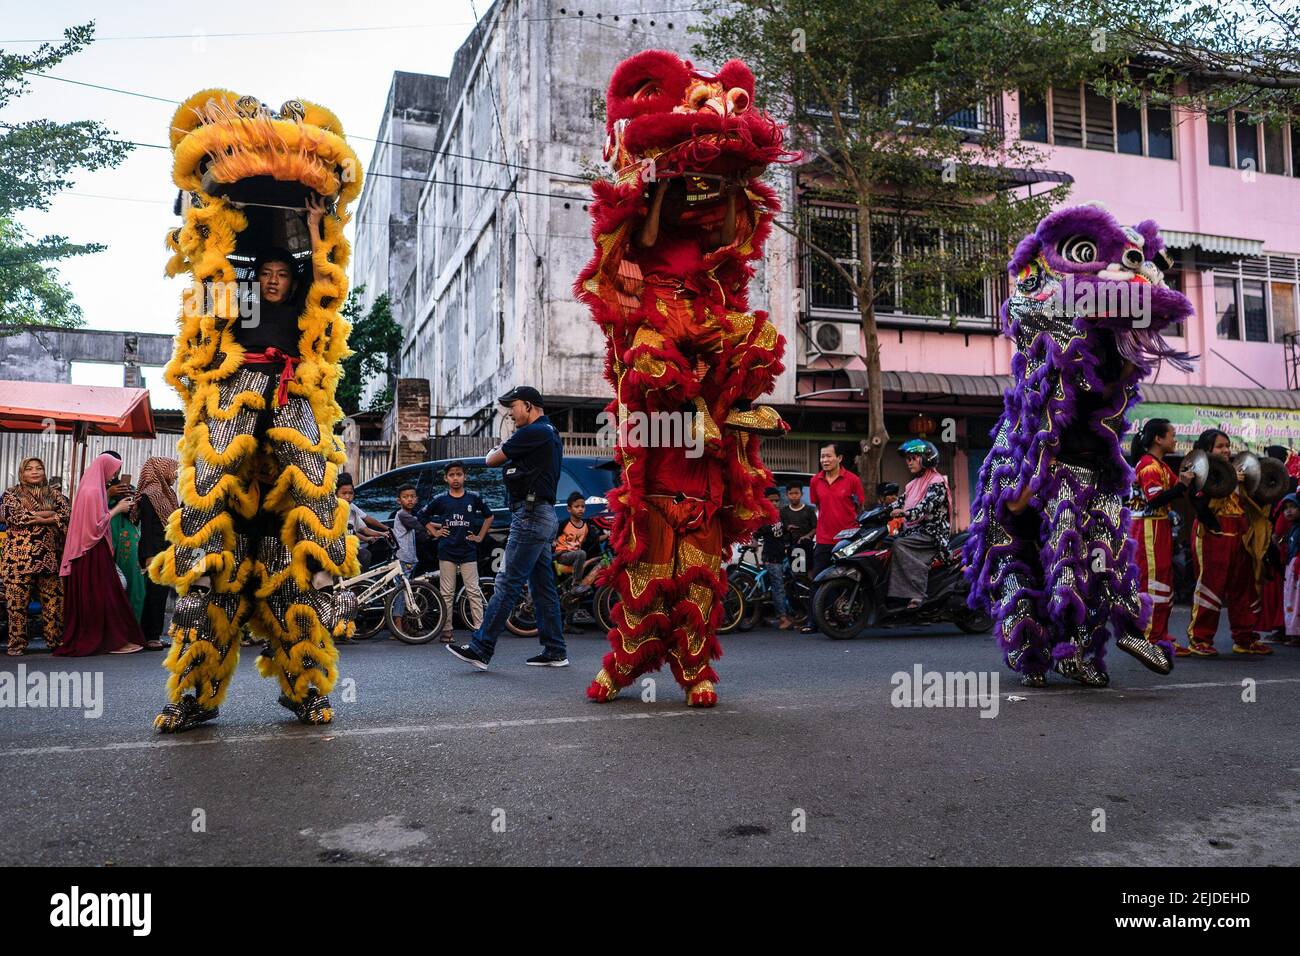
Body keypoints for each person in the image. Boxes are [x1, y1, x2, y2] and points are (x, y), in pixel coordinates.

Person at [965, 204, 1194, 687]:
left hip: (1096, 470)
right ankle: (1035, 651)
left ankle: (1099, 642)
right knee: (1037, 561)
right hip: (1039, 466)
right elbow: (1038, 411)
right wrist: (1026, 484)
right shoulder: (1048, 349)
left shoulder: (1118, 354)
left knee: (1103, 557)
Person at [447, 386, 567, 669]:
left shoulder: (532, 432)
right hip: (543, 514)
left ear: (527, 406)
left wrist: (499, 450)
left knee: (508, 582)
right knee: (542, 586)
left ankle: (481, 647)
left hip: (530, 516)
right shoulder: (550, 432)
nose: (510, 414)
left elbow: (492, 459)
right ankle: (555, 650)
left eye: (512, 407)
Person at [1184, 428, 1271, 657]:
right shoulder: (1201, 472)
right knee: (1211, 586)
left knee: (1244, 587)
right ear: (1207, 450)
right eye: (1220, 446)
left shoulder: (1239, 472)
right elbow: (1202, 503)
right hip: (1213, 533)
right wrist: (1229, 478)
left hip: (1239, 533)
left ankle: (1245, 638)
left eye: (1227, 445)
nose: (1226, 450)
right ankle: (1200, 639)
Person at [55, 453, 144, 656]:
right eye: (113, 472)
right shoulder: (92, 490)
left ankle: (110, 639)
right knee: (104, 594)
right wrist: (118, 509)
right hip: (91, 550)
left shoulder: (92, 489)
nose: (113, 477)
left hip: (92, 549)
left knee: (103, 594)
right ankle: (112, 641)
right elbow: (93, 526)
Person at [1128, 419, 1191, 658]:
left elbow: (1181, 489)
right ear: (1158, 439)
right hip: (1147, 527)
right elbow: (1155, 499)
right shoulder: (1148, 465)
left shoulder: (1161, 466)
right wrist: (1182, 485)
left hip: (1159, 527)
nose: (1175, 440)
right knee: (1152, 581)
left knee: (1165, 580)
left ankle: (1161, 636)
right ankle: (1149, 638)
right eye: (1172, 435)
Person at [2, 457, 70, 656]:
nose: (34, 472)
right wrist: (50, 516)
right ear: (22, 473)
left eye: (38, 468)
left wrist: (38, 516)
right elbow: (16, 517)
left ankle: (55, 641)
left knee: (54, 603)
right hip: (18, 558)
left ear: (44, 471)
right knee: (16, 604)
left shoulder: (54, 494)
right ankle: (17, 644)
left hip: (48, 557)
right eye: (29, 469)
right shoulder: (11, 494)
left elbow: (66, 515)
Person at [419, 461, 492, 643]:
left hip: (468, 551)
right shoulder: (441, 499)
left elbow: (489, 516)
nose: (455, 478)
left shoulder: (473, 498)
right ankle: (447, 631)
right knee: (447, 593)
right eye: (451, 475)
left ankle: (479, 631)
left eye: (459, 474)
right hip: (447, 552)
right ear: (446, 478)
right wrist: (434, 531)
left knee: (473, 591)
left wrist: (480, 536)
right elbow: (422, 515)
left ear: (465, 476)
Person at [800, 443, 865, 634]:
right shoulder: (815, 481)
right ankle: (813, 622)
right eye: (822, 457)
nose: (825, 461)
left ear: (839, 458)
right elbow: (818, 505)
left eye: (829, 456)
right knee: (819, 580)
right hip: (824, 539)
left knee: (847, 580)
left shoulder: (852, 480)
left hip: (847, 540)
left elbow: (859, 507)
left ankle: (846, 619)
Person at [886, 441, 951, 609]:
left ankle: (916, 594)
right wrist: (877, 512)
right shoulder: (912, 485)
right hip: (915, 532)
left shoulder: (936, 482)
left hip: (932, 534)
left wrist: (905, 513)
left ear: (926, 459)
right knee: (886, 543)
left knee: (899, 544)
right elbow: (898, 503)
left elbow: (925, 507)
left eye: (913, 458)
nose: (909, 462)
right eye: (907, 459)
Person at [133, 457, 179, 651]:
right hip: (154, 550)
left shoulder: (166, 493)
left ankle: (153, 634)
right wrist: (149, 554)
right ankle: (150, 636)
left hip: (165, 548)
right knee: (154, 594)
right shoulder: (151, 494)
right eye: (173, 470)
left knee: (159, 594)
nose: (175, 474)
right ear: (161, 470)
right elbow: (147, 529)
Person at [108, 472, 148, 624]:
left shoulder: (136, 523)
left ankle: (132, 631)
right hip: (115, 559)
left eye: (133, 496)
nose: (131, 501)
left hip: (135, 563)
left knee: (137, 591)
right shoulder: (112, 518)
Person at [756, 487, 793, 629]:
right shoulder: (764, 518)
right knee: (778, 587)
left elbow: (780, 532)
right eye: (771, 501)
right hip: (771, 556)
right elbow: (757, 532)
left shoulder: (779, 516)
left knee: (779, 585)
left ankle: (763, 617)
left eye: (777, 500)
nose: (775, 503)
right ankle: (783, 618)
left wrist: (787, 529)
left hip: (780, 554)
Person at [391, 484, 426, 632]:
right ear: (399, 501)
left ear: (416, 499)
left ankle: (404, 624)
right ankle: (398, 626)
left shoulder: (409, 515)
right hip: (403, 559)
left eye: (412, 497)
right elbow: (420, 526)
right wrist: (433, 532)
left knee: (406, 593)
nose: (409, 500)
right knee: (401, 593)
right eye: (405, 497)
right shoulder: (402, 515)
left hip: (409, 558)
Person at [337, 474, 389, 571]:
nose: (348, 497)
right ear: (336, 495)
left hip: (351, 548)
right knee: (365, 555)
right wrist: (366, 538)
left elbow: (363, 528)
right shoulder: (334, 510)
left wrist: (383, 532)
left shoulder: (352, 509)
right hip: (338, 550)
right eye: (343, 494)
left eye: (350, 493)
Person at [553, 491, 598, 595]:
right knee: (581, 553)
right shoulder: (564, 523)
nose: (580, 509)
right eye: (576, 506)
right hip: (562, 555)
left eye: (583, 506)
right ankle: (576, 585)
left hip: (575, 556)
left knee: (582, 555)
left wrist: (610, 534)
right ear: (569, 509)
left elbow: (595, 539)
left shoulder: (586, 526)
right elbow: (553, 536)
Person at [1279, 494, 1300, 645]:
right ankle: (1293, 632)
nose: (1288, 511)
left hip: (1297, 568)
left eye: (1293, 507)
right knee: (1291, 600)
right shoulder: (1293, 528)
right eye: (1285, 508)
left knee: (1296, 600)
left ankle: (1297, 633)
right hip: (1291, 568)